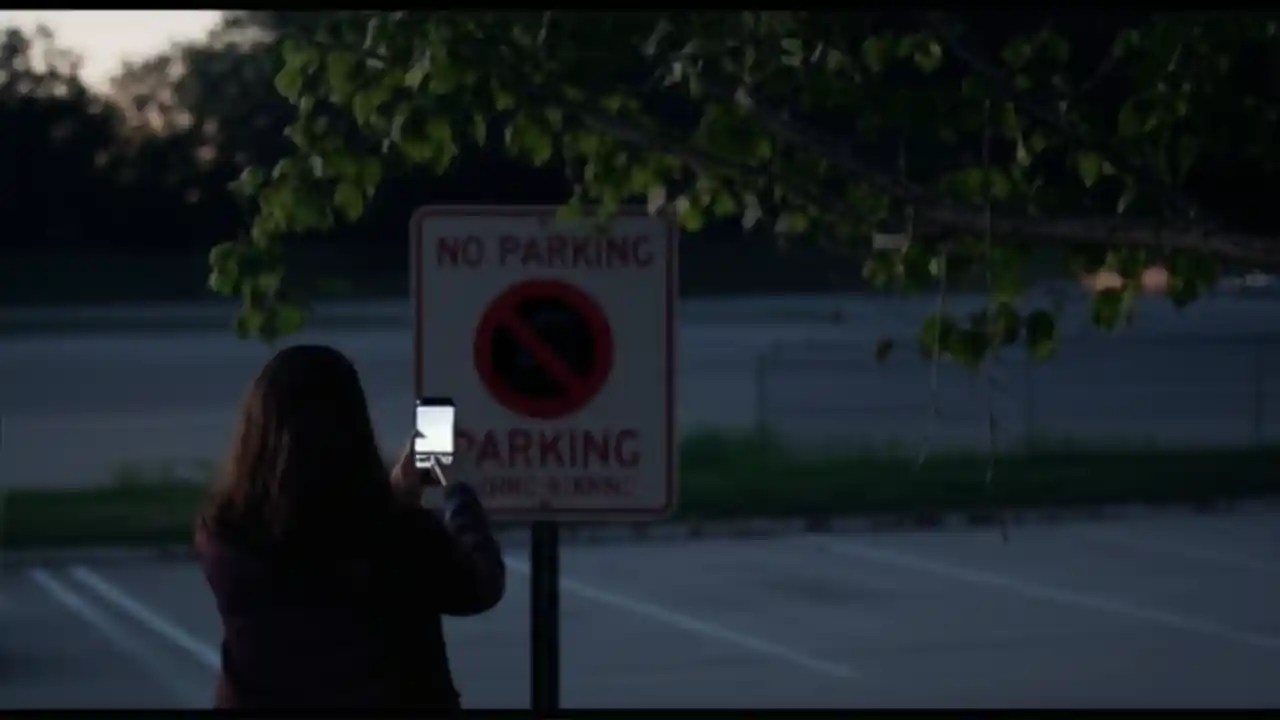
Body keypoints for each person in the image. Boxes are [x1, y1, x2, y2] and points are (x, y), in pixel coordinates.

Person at [194, 344, 504, 710]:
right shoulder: (396, 535)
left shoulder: (224, 536)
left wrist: (400, 493)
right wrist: (458, 492)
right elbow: (479, 586)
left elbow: (316, 561)